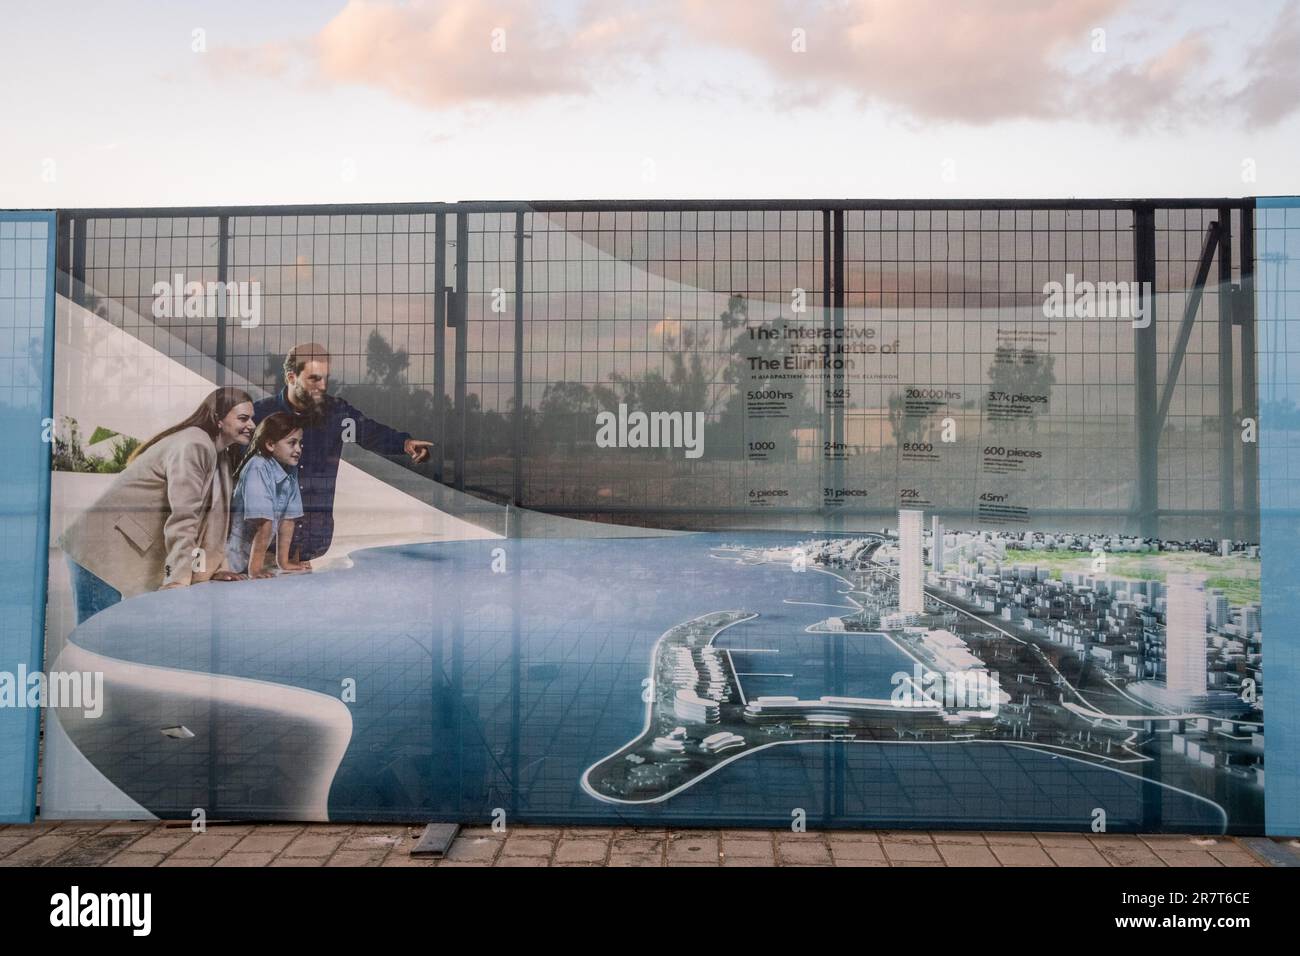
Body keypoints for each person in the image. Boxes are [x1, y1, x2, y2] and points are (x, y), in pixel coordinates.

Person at [60, 386, 255, 623]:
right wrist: (177, 580)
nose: (252, 425)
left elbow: (210, 527)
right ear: (218, 419)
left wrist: (218, 567)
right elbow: (184, 519)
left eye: (252, 418)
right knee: (97, 637)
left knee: (113, 638)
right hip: (100, 545)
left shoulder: (220, 455)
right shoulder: (194, 445)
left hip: (121, 548)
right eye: (243, 418)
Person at [252, 343, 434, 563]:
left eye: (325, 378)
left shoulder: (336, 412)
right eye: (314, 379)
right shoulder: (258, 415)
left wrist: (404, 443)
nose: (323, 385)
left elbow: (369, 432)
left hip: (310, 544)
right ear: (291, 377)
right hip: (262, 549)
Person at [225, 412, 309, 579]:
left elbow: (288, 520)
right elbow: (263, 522)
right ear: (270, 444)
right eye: (292, 443)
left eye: (300, 443)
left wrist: (283, 562)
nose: (298, 449)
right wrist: (255, 570)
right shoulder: (258, 467)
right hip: (230, 559)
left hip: (253, 557)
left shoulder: (289, 469)